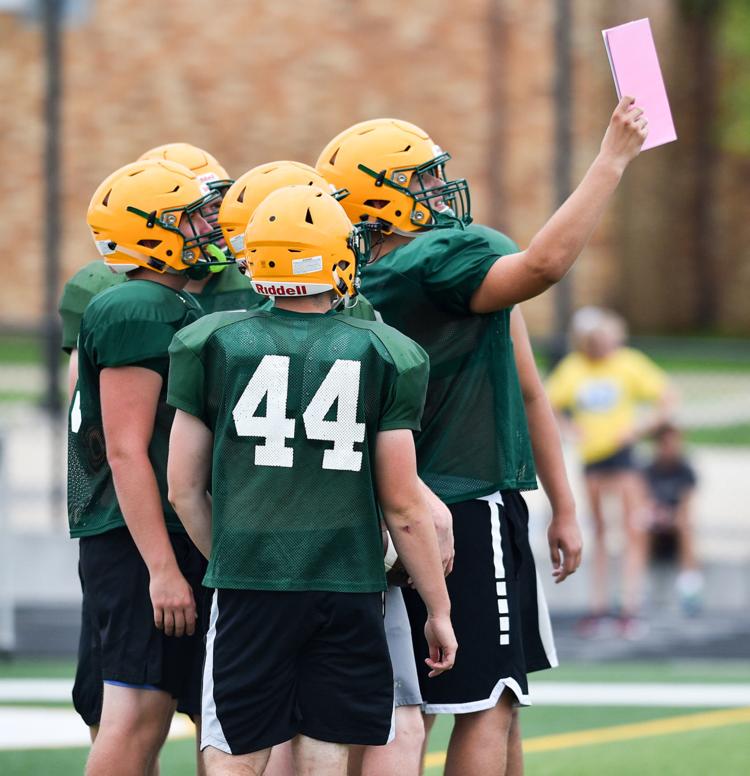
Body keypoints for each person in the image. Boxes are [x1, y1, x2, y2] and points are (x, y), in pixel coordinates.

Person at [316, 97, 646, 776]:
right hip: (462, 504)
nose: (439, 190)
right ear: (381, 196)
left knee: (448, 700)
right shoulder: (431, 265)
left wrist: (565, 501)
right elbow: (546, 265)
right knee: (485, 701)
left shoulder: (365, 276)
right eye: (422, 180)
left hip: (393, 509)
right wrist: (612, 159)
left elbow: (527, 388)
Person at [167, 184, 457, 776]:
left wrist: (230, 558)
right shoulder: (386, 351)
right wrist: (439, 609)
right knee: (325, 749)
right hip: (346, 584)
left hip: (250, 582)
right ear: (337, 256)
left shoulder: (212, 340)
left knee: (235, 749)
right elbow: (403, 506)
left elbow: (182, 488)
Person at [69, 158, 220, 775]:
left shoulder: (167, 303)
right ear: (151, 232)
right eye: (192, 218)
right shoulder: (138, 306)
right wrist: (161, 566)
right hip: (143, 538)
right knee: (135, 715)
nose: (209, 227)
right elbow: (125, 447)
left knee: (155, 712)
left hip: (154, 532)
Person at [546, 307, 676, 637]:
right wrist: (570, 428)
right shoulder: (574, 367)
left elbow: (667, 398)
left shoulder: (628, 363)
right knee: (600, 530)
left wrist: (638, 427)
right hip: (594, 459)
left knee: (633, 527)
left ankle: (629, 605)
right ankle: (599, 606)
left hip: (623, 456)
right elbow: (547, 403)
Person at [139, 142, 265, 313]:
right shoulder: (108, 287)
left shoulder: (260, 277)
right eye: (193, 214)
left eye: (216, 206)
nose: (212, 223)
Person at [643, 422, 702, 615]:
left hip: (676, 525)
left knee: (685, 527)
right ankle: (636, 590)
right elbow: (644, 502)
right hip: (654, 527)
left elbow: (686, 506)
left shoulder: (685, 470)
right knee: (639, 529)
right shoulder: (648, 470)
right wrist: (656, 516)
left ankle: (690, 589)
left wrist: (670, 517)